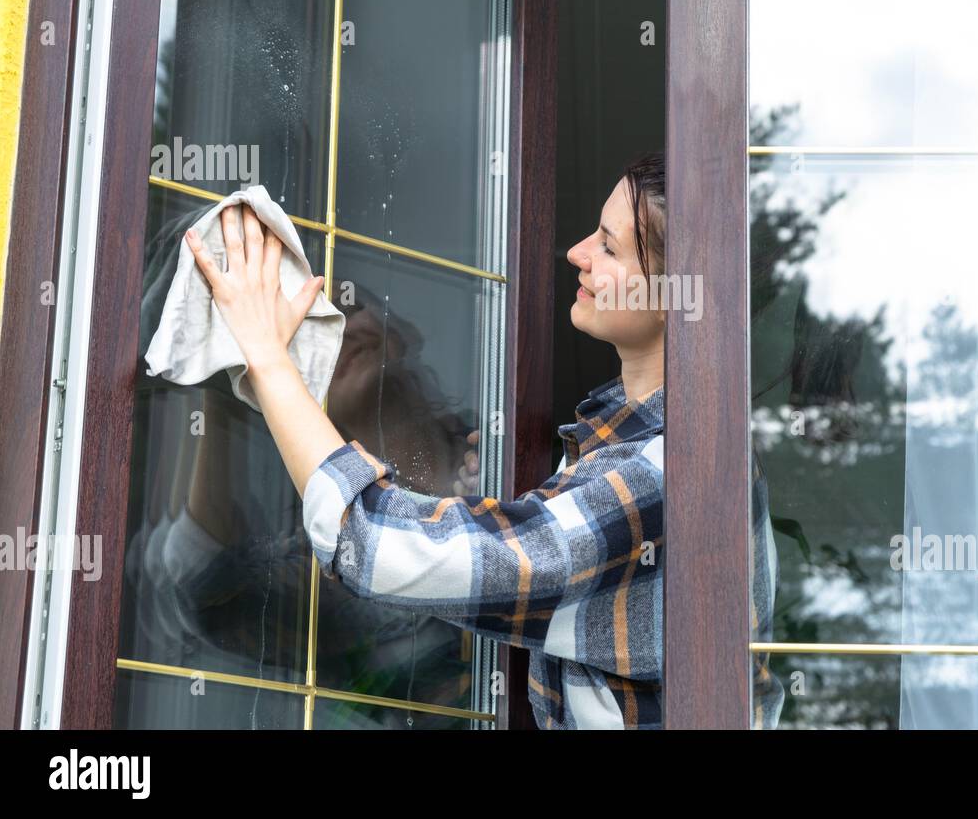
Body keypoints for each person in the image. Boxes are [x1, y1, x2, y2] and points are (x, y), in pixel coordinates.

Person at [184, 151, 784, 729]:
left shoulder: (667, 473)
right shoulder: (640, 440)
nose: (577, 254)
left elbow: (374, 546)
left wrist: (265, 354)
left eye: (609, 247)